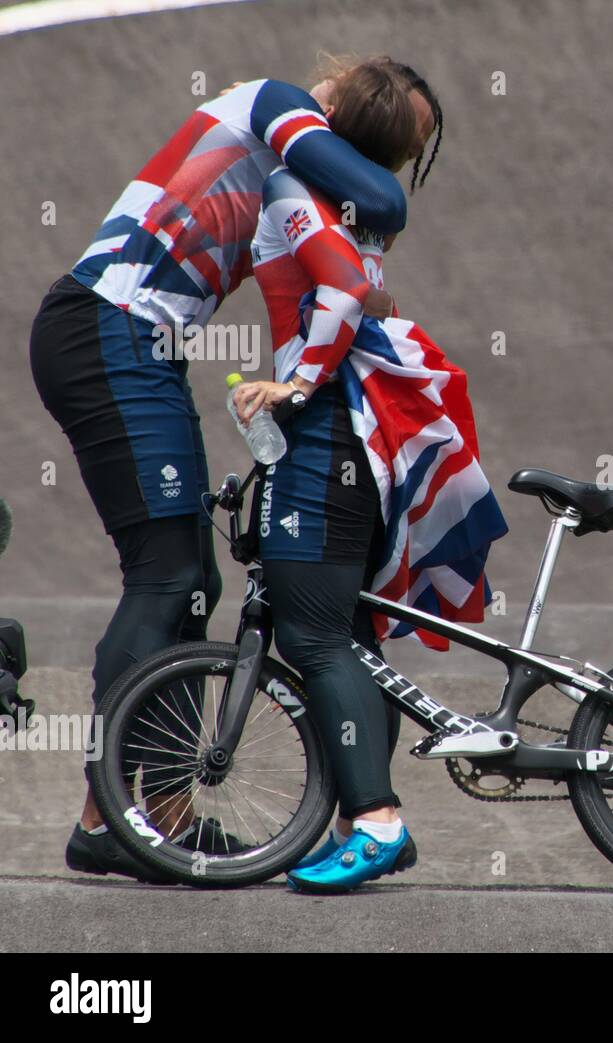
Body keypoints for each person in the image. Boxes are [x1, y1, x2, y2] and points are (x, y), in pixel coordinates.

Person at [29, 56, 434, 882]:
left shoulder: (294, 184)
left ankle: (156, 814)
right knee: (167, 577)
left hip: (136, 340)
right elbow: (386, 203)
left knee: (191, 582)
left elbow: (346, 273)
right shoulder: (277, 103)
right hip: (108, 325)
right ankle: (105, 813)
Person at [233, 64, 507, 893]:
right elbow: (363, 289)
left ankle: (379, 820)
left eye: (333, 80)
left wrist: (294, 385)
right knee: (352, 642)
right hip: (367, 448)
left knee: (315, 637)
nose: (315, 80)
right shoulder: (356, 203)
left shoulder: (291, 181)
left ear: (336, 116)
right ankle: (362, 819)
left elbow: (346, 289)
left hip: (326, 442)